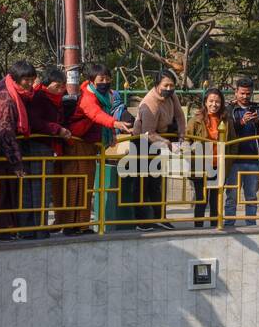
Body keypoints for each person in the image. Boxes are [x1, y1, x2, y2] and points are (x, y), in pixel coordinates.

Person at [60, 63, 130, 234]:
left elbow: (102, 117)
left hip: (90, 146)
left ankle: (82, 225)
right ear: (92, 81)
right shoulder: (88, 97)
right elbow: (96, 115)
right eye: (101, 79)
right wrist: (114, 123)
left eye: (107, 78)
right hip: (76, 145)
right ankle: (70, 225)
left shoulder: (105, 97)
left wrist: (112, 133)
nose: (105, 82)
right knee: (75, 185)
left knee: (87, 186)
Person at [126, 71, 185, 231]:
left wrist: (181, 137)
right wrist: (167, 142)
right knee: (142, 182)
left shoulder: (172, 97)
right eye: (165, 85)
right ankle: (141, 220)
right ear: (157, 85)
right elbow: (148, 133)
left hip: (158, 141)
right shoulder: (150, 103)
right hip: (142, 143)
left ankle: (160, 217)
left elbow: (180, 116)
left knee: (157, 182)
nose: (169, 88)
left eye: (171, 85)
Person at [0, 60, 38, 238]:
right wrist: (17, 163)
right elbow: (5, 132)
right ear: (16, 79)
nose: (30, 84)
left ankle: (8, 229)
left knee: (9, 192)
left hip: (4, 152)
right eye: (26, 80)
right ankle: (1, 231)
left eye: (32, 79)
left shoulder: (13, 91)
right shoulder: (6, 99)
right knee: (1, 192)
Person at [23, 66, 71, 239]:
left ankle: (36, 227)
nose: (61, 89)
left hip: (47, 145)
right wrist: (57, 129)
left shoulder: (54, 99)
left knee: (41, 187)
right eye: (57, 85)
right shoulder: (40, 97)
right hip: (38, 145)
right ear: (46, 84)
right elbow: (35, 121)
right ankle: (37, 227)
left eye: (62, 86)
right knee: (38, 187)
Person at [185, 88, 231, 228]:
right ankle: (198, 226)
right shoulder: (196, 120)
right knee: (201, 198)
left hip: (218, 165)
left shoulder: (226, 120)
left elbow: (233, 142)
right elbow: (187, 140)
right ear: (205, 102)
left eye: (217, 101)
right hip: (201, 165)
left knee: (216, 199)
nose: (214, 104)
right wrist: (191, 154)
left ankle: (214, 226)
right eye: (211, 101)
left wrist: (229, 160)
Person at [224, 77, 259, 226]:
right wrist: (241, 122)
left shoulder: (258, 109)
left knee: (252, 197)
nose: (245, 97)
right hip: (235, 160)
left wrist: (257, 122)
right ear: (236, 92)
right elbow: (227, 130)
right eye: (242, 93)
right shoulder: (229, 109)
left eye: (248, 94)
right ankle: (228, 223)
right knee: (232, 196)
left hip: (253, 159)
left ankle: (251, 224)